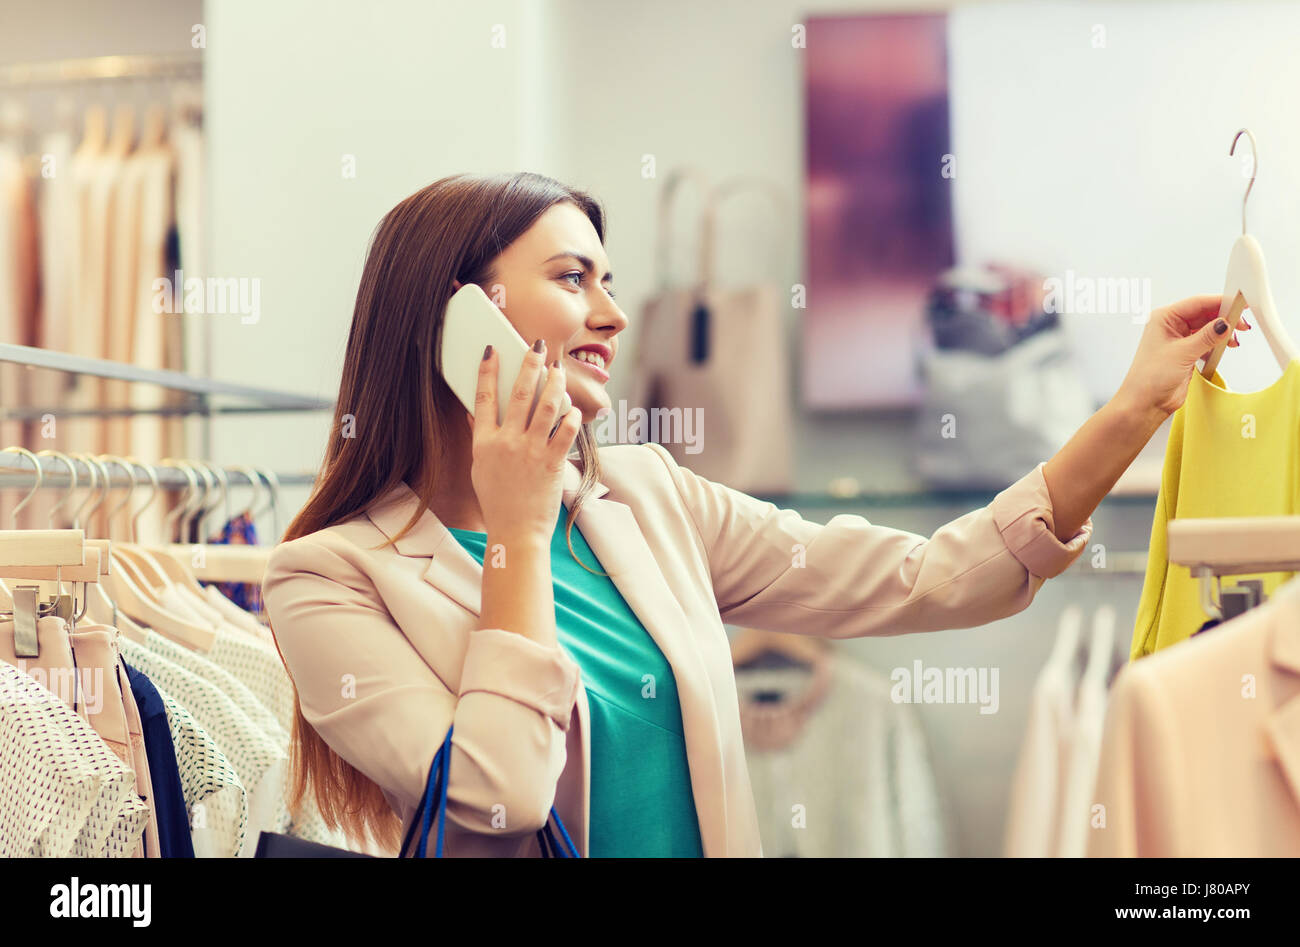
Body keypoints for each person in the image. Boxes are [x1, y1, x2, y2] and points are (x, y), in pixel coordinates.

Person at [261, 170, 1249, 857]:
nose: (612, 314)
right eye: (573, 278)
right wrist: (517, 530)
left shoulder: (646, 497)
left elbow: (939, 576)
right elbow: (499, 792)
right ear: (453, 317)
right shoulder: (330, 579)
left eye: (609, 278)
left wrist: (1130, 412)